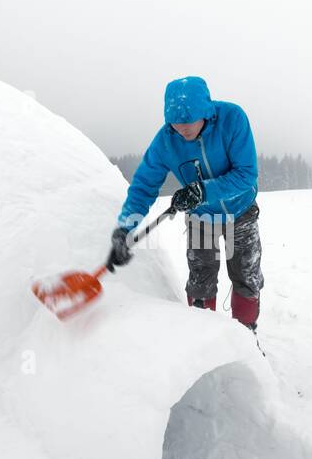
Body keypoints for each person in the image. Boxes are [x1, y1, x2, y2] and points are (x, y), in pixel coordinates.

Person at [107, 76, 263, 331]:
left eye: (188, 122)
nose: (182, 129)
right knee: (201, 280)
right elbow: (144, 185)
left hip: (240, 212)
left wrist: (202, 190)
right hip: (202, 219)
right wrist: (126, 227)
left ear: (205, 113)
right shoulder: (166, 142)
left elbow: (246, 175)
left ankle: (246, 338)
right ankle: (202, 339)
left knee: (246, 275)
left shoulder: (232, 119)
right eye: (176, 124)